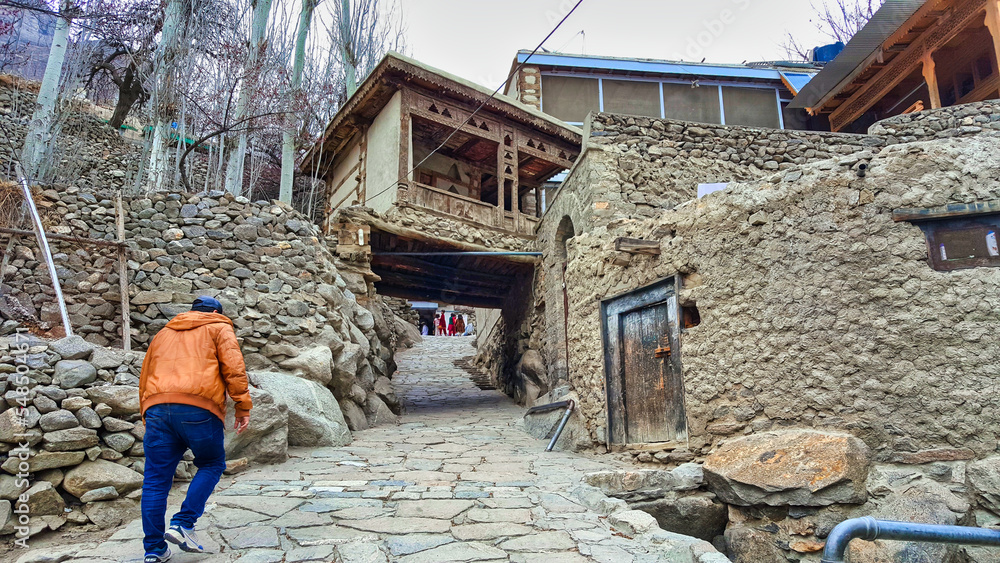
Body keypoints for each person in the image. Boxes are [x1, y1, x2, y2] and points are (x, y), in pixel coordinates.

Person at [139, 296, 253, 563]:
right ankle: (183, 523)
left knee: (155, 481)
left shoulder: (163, 333)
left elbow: (145, 375)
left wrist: (146, 413)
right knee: (212, 463)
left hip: (157, 408)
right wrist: (242, 406)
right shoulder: (219, 326)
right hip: (199, 408)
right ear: (215, 312)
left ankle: (154, 550)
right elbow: (234, 369)